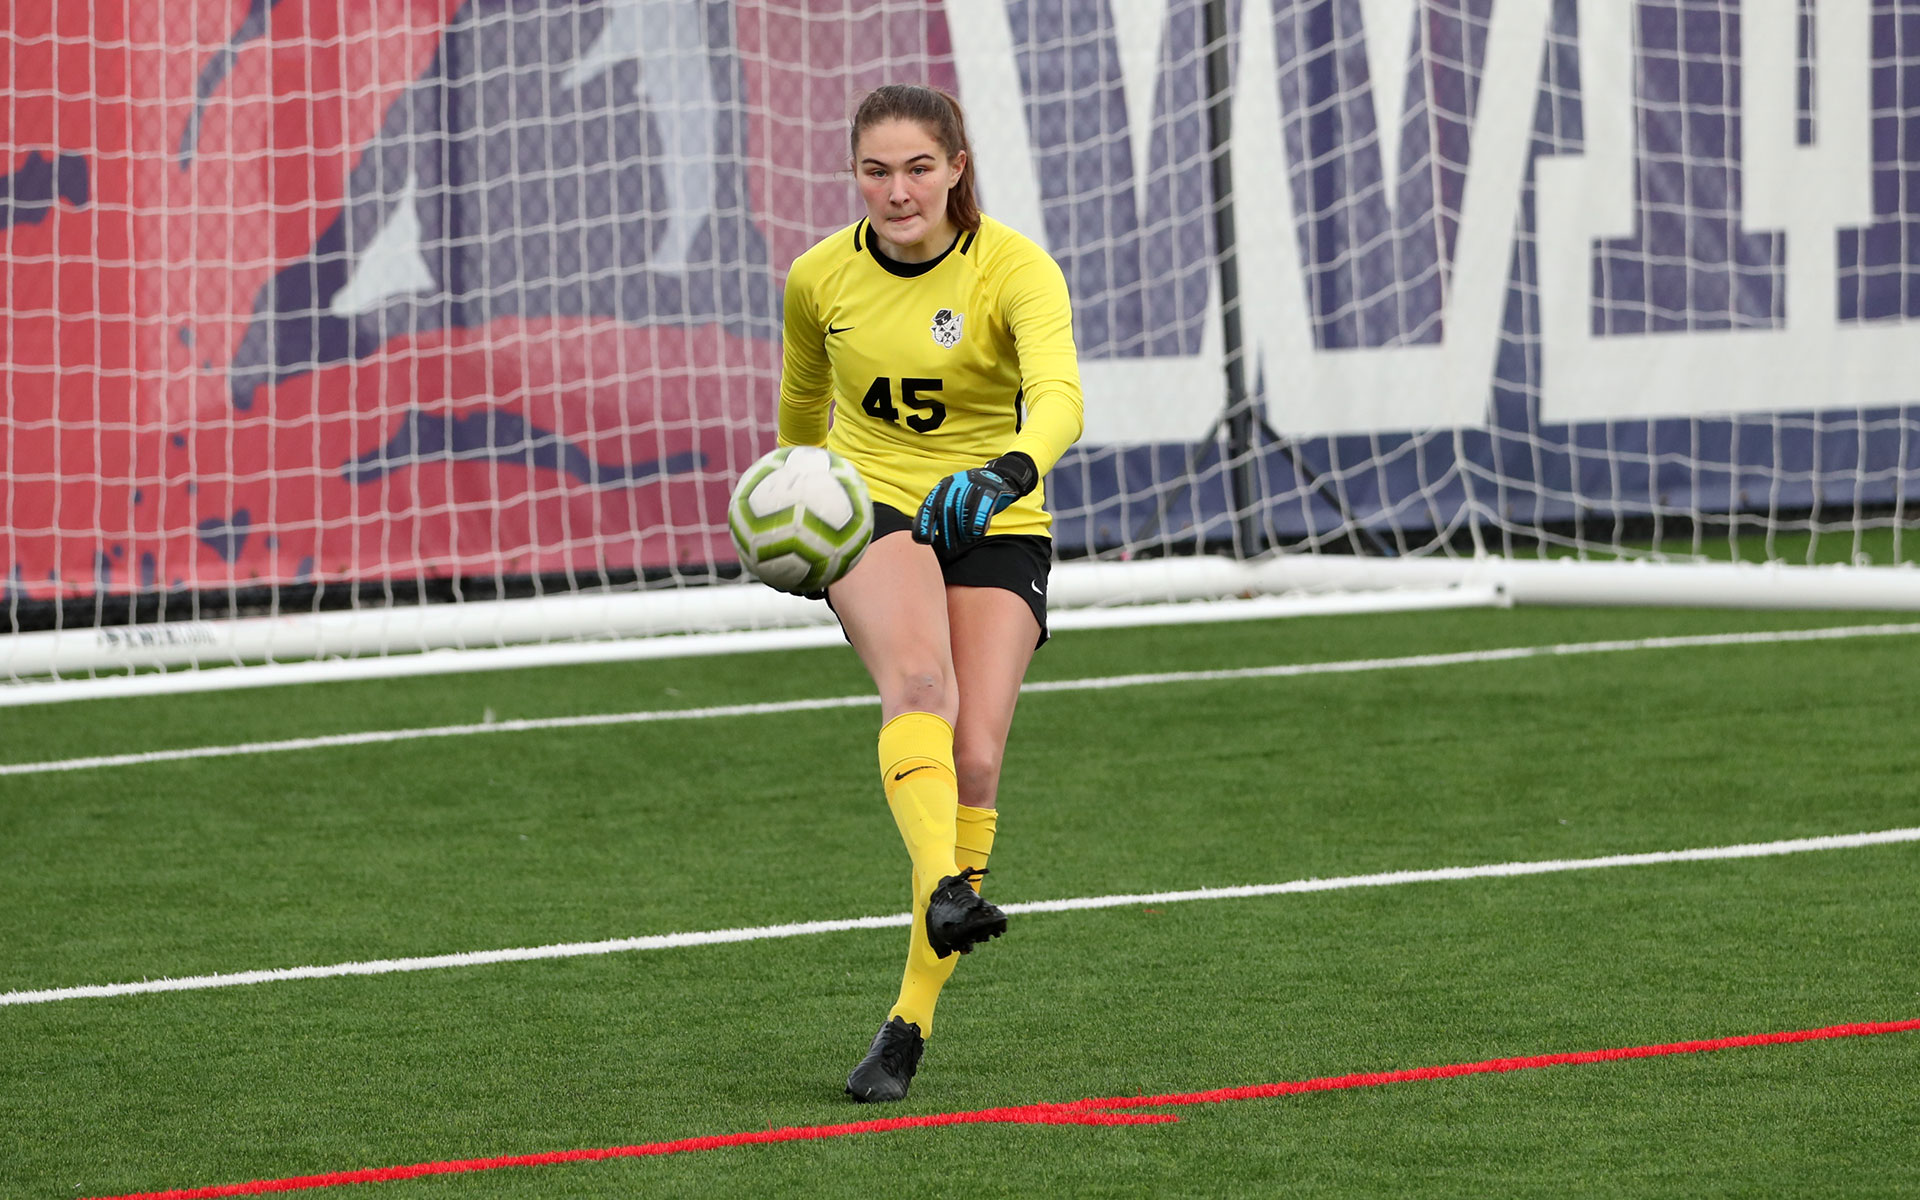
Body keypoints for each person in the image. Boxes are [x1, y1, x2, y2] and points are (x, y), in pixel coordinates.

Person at [776, 83, 1084, 1103]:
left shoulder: (1014, 268)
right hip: (875, 507)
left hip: (997, 512)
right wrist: (791, 524)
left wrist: (1004, 475)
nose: (897, 190)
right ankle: (947, 887)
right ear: (853, 174)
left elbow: (1060, 401)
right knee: (919, 685)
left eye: (917, 167)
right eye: (876, 170)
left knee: (978, 756)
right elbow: (799, 411)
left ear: (956, 165)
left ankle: (911, 1019)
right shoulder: (820, 277)